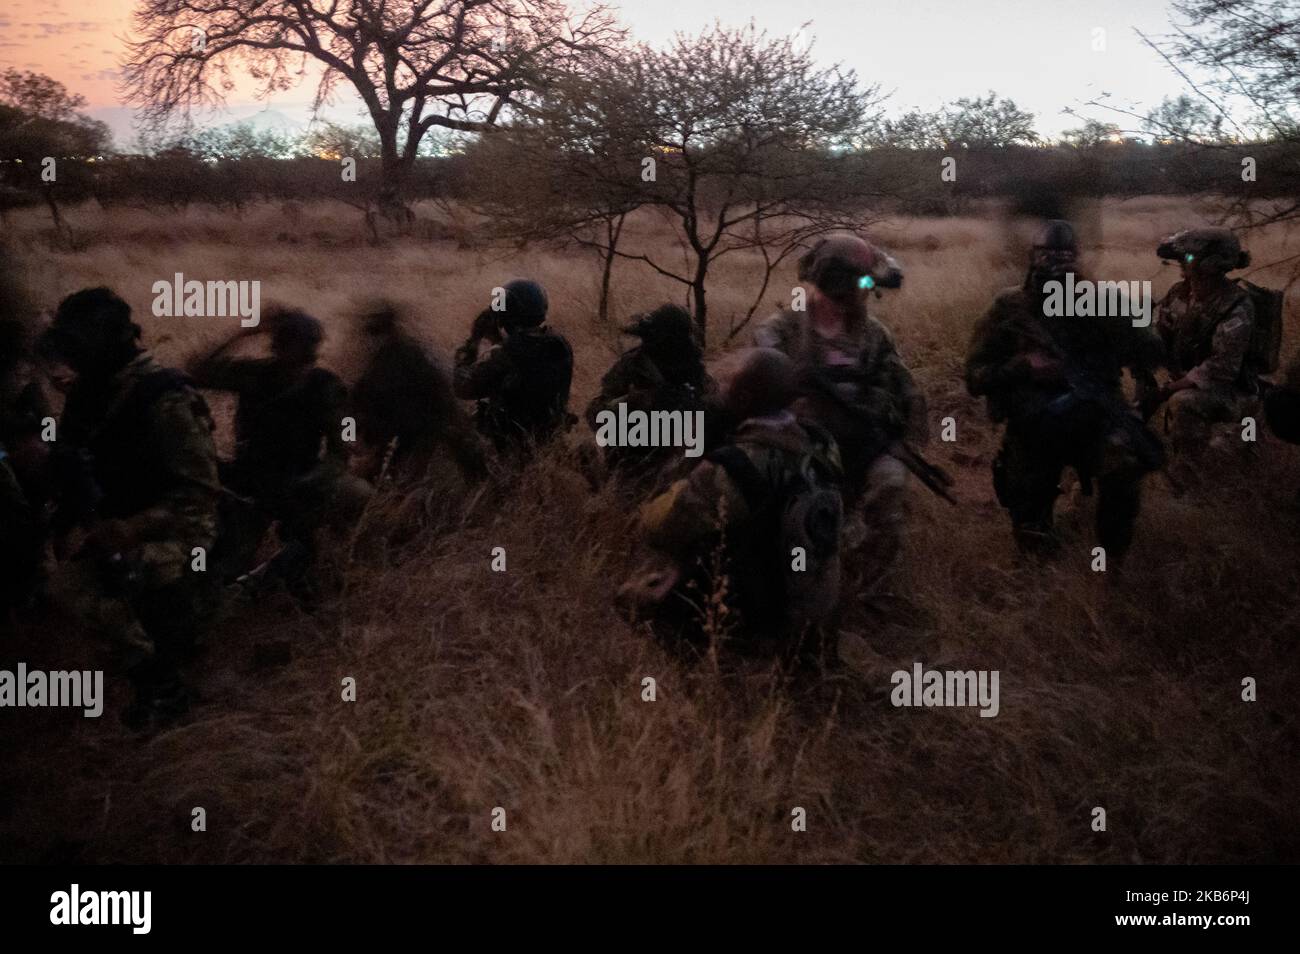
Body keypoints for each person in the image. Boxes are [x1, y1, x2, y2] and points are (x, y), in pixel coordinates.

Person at [39, 287, 221, 726]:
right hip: (110, 523)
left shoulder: (166, 397)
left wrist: (132, 528)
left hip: (179, 528)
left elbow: (199, 496)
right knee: (60, 584)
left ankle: (164, 684)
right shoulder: (89, 393)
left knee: (128, 574)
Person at [620, 348, 844, 667]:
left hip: (762, 616)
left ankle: (712, 668)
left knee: (631, 598)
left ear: (746, 396)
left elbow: (656, 527)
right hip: (812, 609)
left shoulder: (737, 467)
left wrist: (685, 467)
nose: (723, 389)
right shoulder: (820, 449)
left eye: (731, 383)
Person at [965, 220, 1165, 562]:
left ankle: (1110, 557)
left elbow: (1150, 352)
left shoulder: (1101, 300)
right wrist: (1024, 367)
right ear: (1032, 257)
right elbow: (974, 377)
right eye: (1047, 254)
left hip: (1094, 413)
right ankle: (1041, 556)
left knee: (1126, 460)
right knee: (1030, 525)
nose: (1055, 262)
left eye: (1064, 254)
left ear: (1077, 258)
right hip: (1034, 421)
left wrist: (1111, 310)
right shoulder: (1009, 307)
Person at [753, 233, 925, 587]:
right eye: (851, 287)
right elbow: (756, 396)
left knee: (890, 484)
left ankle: (865, 586)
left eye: (863, 286)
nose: (856, 297)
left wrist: (902, 439)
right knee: (797, 516)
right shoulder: (779, 332)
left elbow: (905, 392)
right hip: (801, 447)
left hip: (862, 443)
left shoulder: (874, 335)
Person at [188, 307, 366, 589]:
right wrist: (242, 333)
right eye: (288, 341)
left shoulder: (327, 387)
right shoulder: (255, 374)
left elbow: (343, 442)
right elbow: (197, 370)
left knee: (350, 498)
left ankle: (314, 563)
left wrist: (315, 481)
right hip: (249, 478)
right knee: (225, 563)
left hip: (299, 477)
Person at [1147, 228, 1258, 478]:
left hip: (1231, 391)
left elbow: (1221, 369)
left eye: (1187, 259)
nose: (1181, 265)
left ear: (1210, 264)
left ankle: (1186, 476)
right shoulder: (1179, 293)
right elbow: (1155, 332)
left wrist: (1168, 389)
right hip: (1188, 379)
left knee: (1183, 402)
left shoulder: (1236, 305)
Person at [350, 303, 486, 484]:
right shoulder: (405, 355)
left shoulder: (393, 361)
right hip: (416, 428)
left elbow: (357, 407)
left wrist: (353, 443)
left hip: (418, 429)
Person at [585, 303, 715, 482]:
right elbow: (595, 415)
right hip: (632, 464)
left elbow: (713, 418)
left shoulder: (695, 371)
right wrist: (630, 403)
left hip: (679, 471)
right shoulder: (633, 366)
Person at [453, 279, 573, 453]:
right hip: (550, 433)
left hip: (512, 441)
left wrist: (472, 343)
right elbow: (528, 358)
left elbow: (463, 388)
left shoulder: (507, 353)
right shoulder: (559, 342)